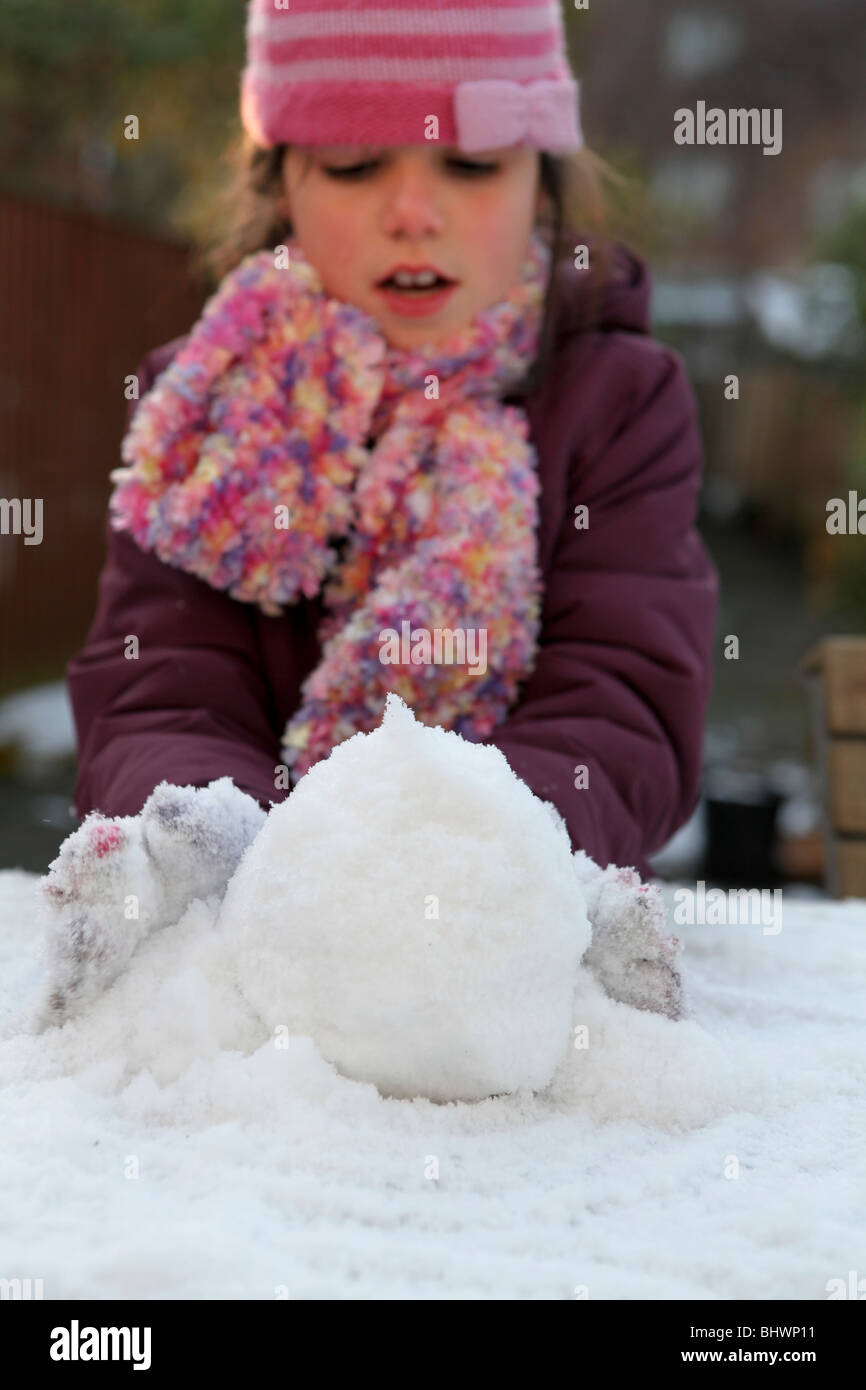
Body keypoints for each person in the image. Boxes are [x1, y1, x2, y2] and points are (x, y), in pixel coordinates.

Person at [36, 0, 717, 1028]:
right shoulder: (203, 415)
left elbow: (621, 698)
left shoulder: (618, 404)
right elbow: (161, 690)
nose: (412, 210)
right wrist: (234, 848)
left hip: (517, 929)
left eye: (471, 164)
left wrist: (478, 857)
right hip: (258, 957)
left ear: (544, 179)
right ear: (280, 185)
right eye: (355, 165)